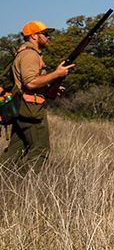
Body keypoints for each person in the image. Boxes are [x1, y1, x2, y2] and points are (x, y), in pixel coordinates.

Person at [1, 21, 72, 167]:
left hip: (22, 106)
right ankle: (32, 180)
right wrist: (57, 74)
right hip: (29, 108)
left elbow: (29, 83)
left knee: (15, 151)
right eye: (45, 34)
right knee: (40, 149)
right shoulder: (30, 54)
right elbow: (31, 83)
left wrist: (48, 87)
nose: (48, 37)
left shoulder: (26, 52)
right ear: (33, 36)